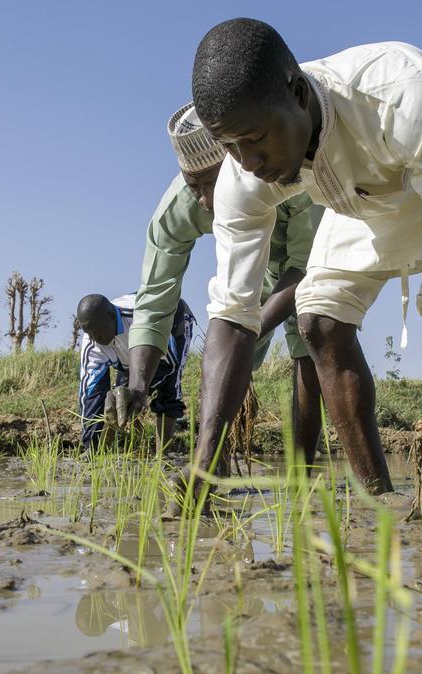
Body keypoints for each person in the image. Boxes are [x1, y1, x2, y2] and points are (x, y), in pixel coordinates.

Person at [186, 19, 422, 517]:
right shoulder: (243, 173)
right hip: (362, 188)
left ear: (298, 94)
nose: (247, 161)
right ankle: (379, 497)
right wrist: (204, 463)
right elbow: (233, 317)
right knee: (319, 318)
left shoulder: (402, 98)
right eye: (229, 145)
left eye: (255, 139)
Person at [106, 102, 325, 472]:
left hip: (301, 258)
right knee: (226, 345)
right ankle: (214, 463)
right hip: (249, 261)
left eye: (212, 182)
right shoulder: (177, 210)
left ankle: (301, 474)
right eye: (194, 186)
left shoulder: (289, 177)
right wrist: (138, 384)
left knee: (312, 329)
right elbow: (155, 298)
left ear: (239, 160)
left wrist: (248, 330)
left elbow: (305, 267)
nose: (206, 199)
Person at [77, 293, 193, 451]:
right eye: (88, 332)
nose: (94, 338)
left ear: (112, 317)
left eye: (97, 332)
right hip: (130, 344)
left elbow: (169, 365)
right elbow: (91, 393)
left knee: (169, 388)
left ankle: (163, 451)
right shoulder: (91, 342)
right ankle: (98, 447)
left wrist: (140, 391)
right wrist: (90, 447)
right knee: (121, 395)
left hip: (172, 320)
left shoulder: (140, 319)